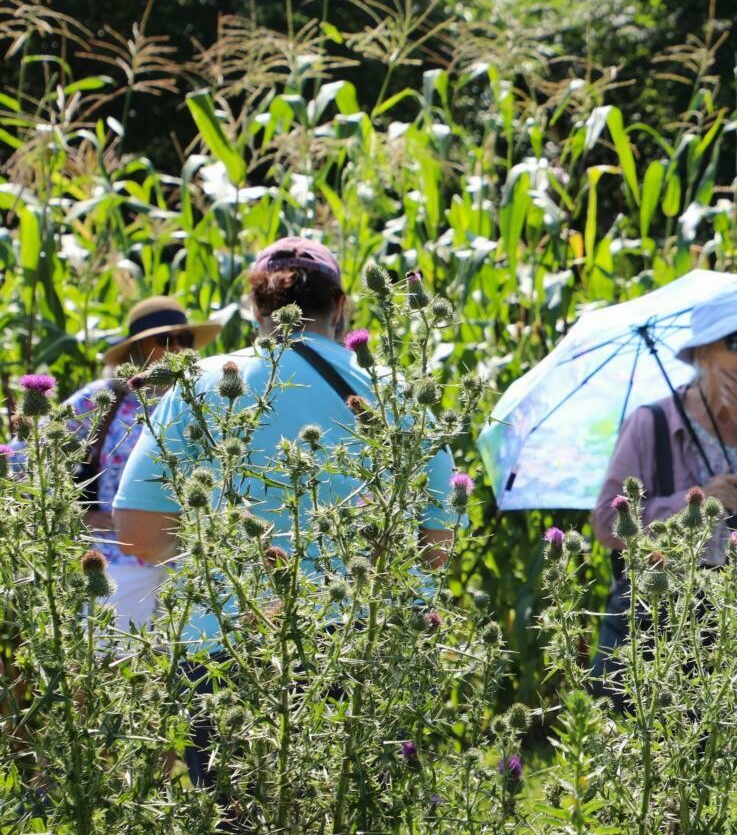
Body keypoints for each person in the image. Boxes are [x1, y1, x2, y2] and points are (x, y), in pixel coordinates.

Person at [114, 237, 459, 782]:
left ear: (256, 309)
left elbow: (136, 533)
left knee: (234, 813)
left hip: (224, 645)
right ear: (340, 307)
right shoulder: (400, 397)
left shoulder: (200, 383)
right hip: (361, 644)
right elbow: (435, 548)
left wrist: (228, 558)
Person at [588, 292, 737, 676]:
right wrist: (693, 507)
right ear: (702, 354)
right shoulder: (650, 424)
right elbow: (607, 522)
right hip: (661, 624)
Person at [60, 296, 222, 631]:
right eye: (164, 340)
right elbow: (30, 450)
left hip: (192, 564)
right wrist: (77, 514)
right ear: (136, 349)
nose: (176, 348)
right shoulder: (104, 399)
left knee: (188, 673)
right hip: (119, 563)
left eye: (185, 340)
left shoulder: (207, 398)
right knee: (113, 667)